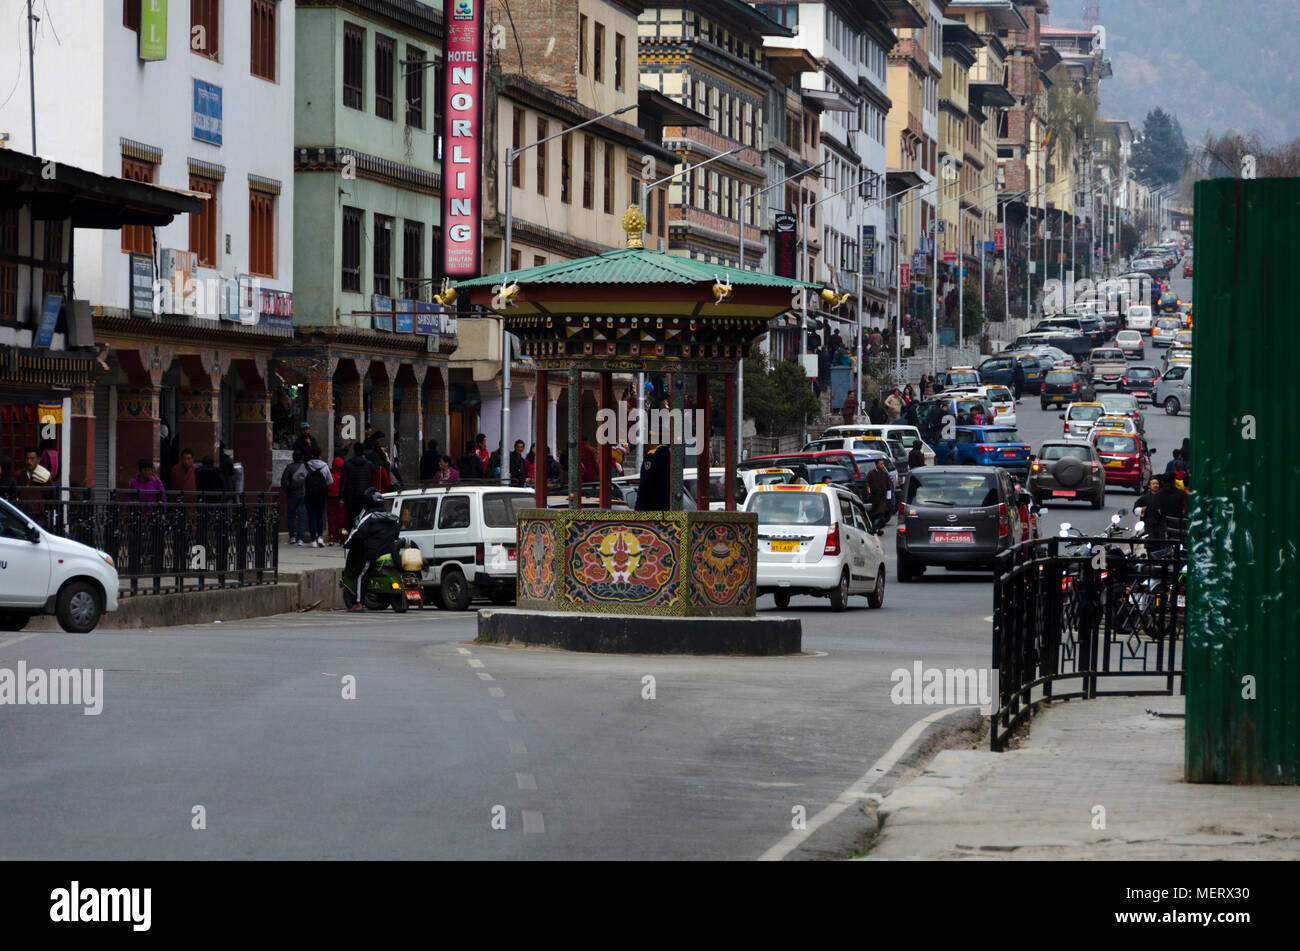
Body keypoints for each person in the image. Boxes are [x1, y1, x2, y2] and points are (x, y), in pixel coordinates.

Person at [342, 488, 400, 613]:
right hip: (389, 552)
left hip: (372, 553)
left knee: (360, 575)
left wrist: (347, 544)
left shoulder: (369, 518)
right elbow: (396, 535)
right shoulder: (392, 517)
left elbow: (358, 534)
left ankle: (359, 604)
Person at [340, 443, 375, 532]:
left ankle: (352, 536)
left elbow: (343, 482)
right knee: (363, 518)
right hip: (364, 496)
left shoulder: (347, 464)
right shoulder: (369, 465)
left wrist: (341, 498)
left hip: (351, 497)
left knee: (351, 518)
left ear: (354, 451)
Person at [304, 448, 333, 547]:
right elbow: (330, 481)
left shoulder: (306, 465)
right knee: (320, 516)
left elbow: (303, 480)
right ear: (320, 455)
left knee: (311, 516)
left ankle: (313, 540)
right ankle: (320, 537)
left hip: (309, 495)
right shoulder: (324, 466)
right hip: (321, 494)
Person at [280, 450, 308, 545]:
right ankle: (301, 538)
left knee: (291, 515)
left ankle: (292, 536)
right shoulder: (306, 467)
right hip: (303, 494)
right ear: (302, 457)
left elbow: (284, 482)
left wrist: (288, 491)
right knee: (302, 516)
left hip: (292, 494)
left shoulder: (289, 467)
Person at [635, 445, 670, 510]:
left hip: (652, 510)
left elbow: (645, 486)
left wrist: (638, 510)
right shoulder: (671, 456)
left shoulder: (651, 457)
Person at [866, 457, 893, 531]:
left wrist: (889, 498)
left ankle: (877, 528)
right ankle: (873, 527)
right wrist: (869, 494)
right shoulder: (871, 473)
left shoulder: (884, 474)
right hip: (874, 497)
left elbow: (888, 486)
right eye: (881, 464)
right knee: (874, 513)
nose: (882, 465)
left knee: (881, 513)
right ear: (876, 464)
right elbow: (867, 485)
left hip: (882, 498)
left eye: (883, 464)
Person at [327, 447, 346, 545]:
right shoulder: (343, 476)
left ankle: (331, 537)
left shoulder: (329, 474)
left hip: (330, 499)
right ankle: (341, 538)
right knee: (341, 519)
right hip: (340, 499)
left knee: (331, 518)